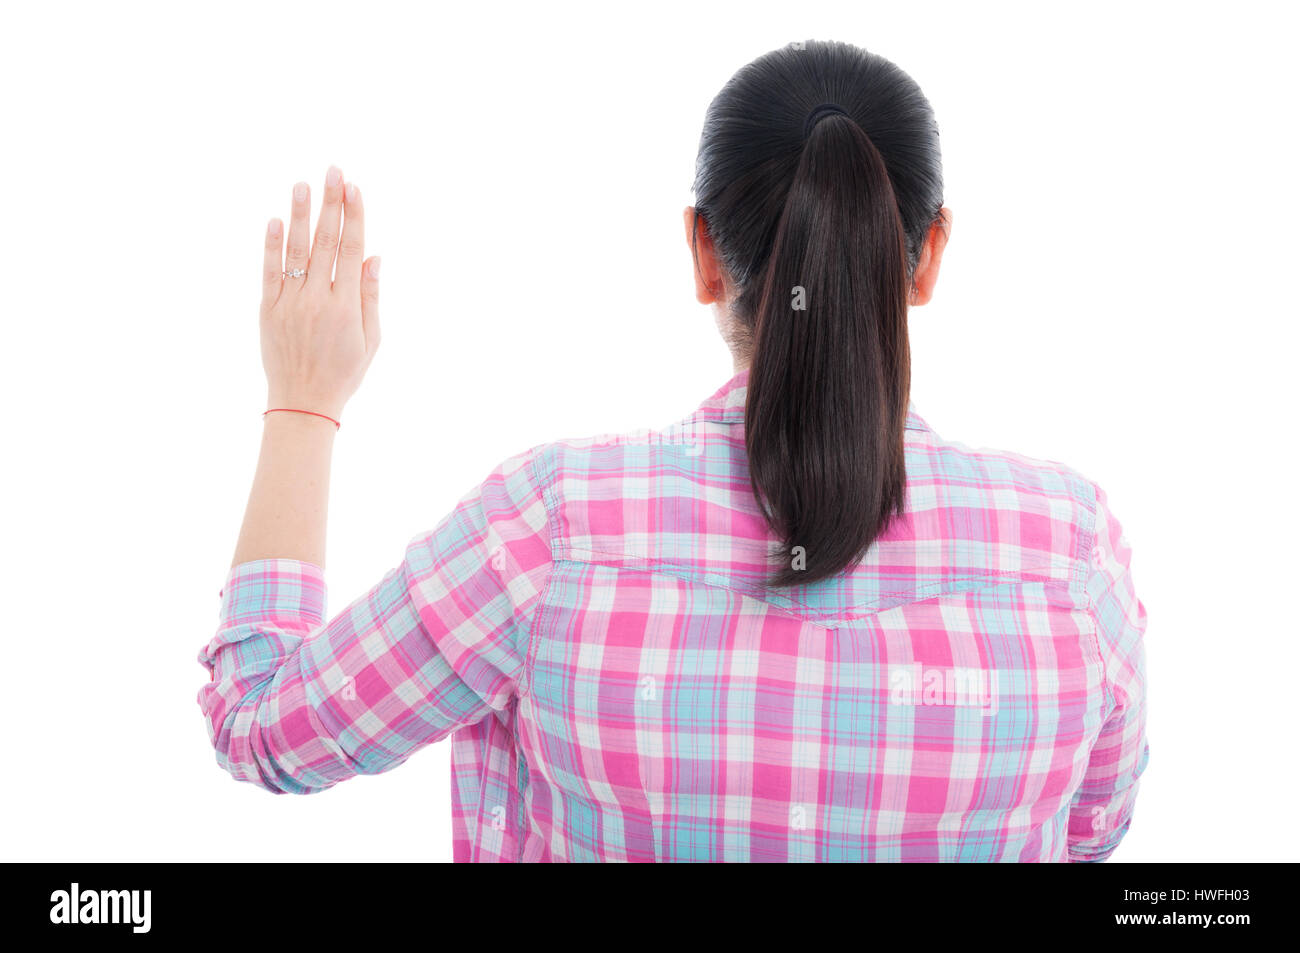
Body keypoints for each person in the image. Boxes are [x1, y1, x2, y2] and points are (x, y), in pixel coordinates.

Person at [198, 39, 1149, 862]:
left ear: (702, 254)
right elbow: (1093, 826)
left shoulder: (551, 526)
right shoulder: (1067, 549)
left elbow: (261, 725)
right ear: (930, 256)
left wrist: (302, 402)